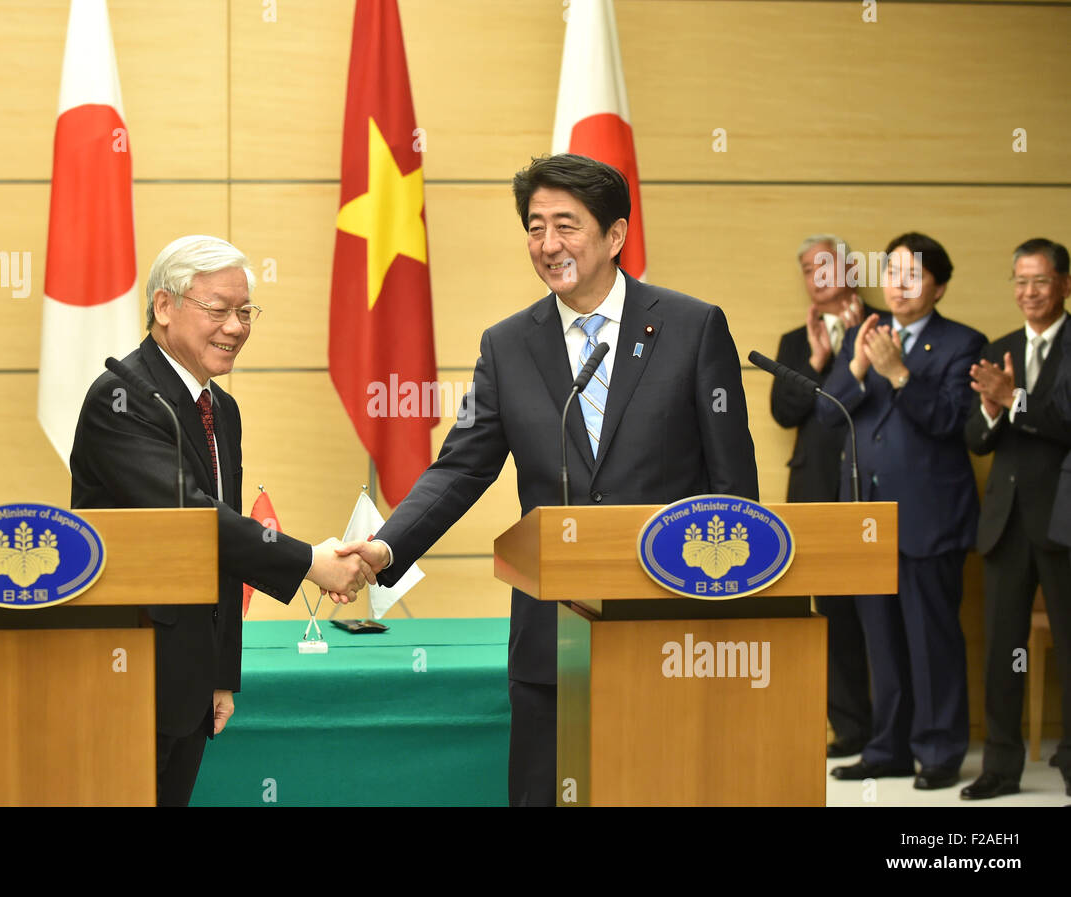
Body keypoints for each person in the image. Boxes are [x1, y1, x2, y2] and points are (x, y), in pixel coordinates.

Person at [335, 154, 758, 806]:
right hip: (550, 634)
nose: (548, 244)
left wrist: (727, 611)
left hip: (670, 627)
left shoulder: (693, 327)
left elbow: (735, 489)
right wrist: (386, 547)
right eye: (535, 228)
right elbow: (462, 466)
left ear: (615, 235)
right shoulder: (508, 346)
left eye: (566, 225)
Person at [70, 235, 372, 806]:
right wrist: (310, 562)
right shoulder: (122, 398)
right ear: (164, 307)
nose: (235, 327)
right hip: (125, 668)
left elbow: (223, 549)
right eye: (218, 310)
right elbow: (193, 519)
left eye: (245, 311)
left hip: (190, 678)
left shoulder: (220, 409)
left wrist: (220, 673)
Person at [819, 232, 985, 790]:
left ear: (939, 286)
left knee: (931, 640)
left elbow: (953, 422)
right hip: (865, 520)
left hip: (929, 518)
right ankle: (887, 747)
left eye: (912, 276)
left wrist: (899, 375)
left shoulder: (964, 342)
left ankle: (938, 751)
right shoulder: (862, 334)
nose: (898, 285)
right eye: (891, 273)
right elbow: (828, 415)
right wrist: (857, 367)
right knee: (882, 643)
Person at [965, 238, 1071, 800]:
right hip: (1006, 524)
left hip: (1062, 521)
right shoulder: (998, 349)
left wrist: (1015, 401)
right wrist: (989, 410)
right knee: (1003, 650)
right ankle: (1001, 767)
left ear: (1065, 285)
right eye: (1021, 281)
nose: (1029, 292)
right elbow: (977, 440)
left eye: (1041, 281)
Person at [769, 234, 875, 759]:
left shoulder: (882, 327)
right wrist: (817, 361)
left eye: (825, 266)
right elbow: (784, 412)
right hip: (814, 489)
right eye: (808, 270)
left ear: (852, 272)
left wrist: (854, 346)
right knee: (830, 609)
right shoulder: (795, 341)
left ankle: (896, 730)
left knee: (880, 609)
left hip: (872, 486)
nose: (816, 277)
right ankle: (850, 727)